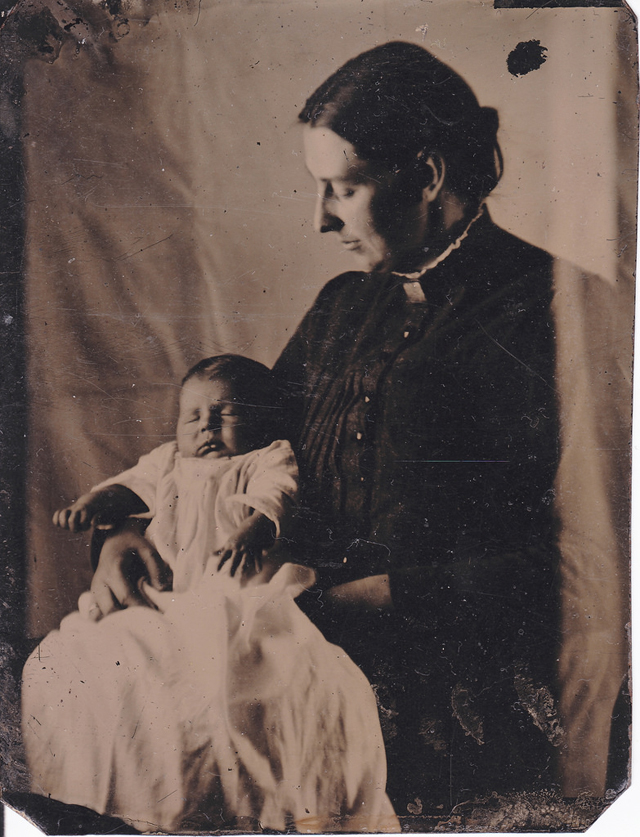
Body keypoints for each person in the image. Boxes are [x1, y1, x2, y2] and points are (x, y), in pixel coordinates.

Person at [89, 42, 566, 812]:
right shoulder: (345, 305)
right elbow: (237, 450)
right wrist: (127, 530)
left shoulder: (547, 309)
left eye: (342, 189)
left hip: (441, 694)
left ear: (429, 175)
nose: (319, 220)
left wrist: (354, 602)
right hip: (291, 641)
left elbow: (572, 556)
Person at [22, 355, 399, 833]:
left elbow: (278, 493)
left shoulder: (264, 457)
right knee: (92, 649)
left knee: (238, 658)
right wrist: (94, 504)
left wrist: (255, 528)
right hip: (174, 588)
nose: (208, 427)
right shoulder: (169, 464)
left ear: (261, 419)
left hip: (234, 590)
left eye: (227, 413)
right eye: (193, 416)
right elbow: (129, 487)